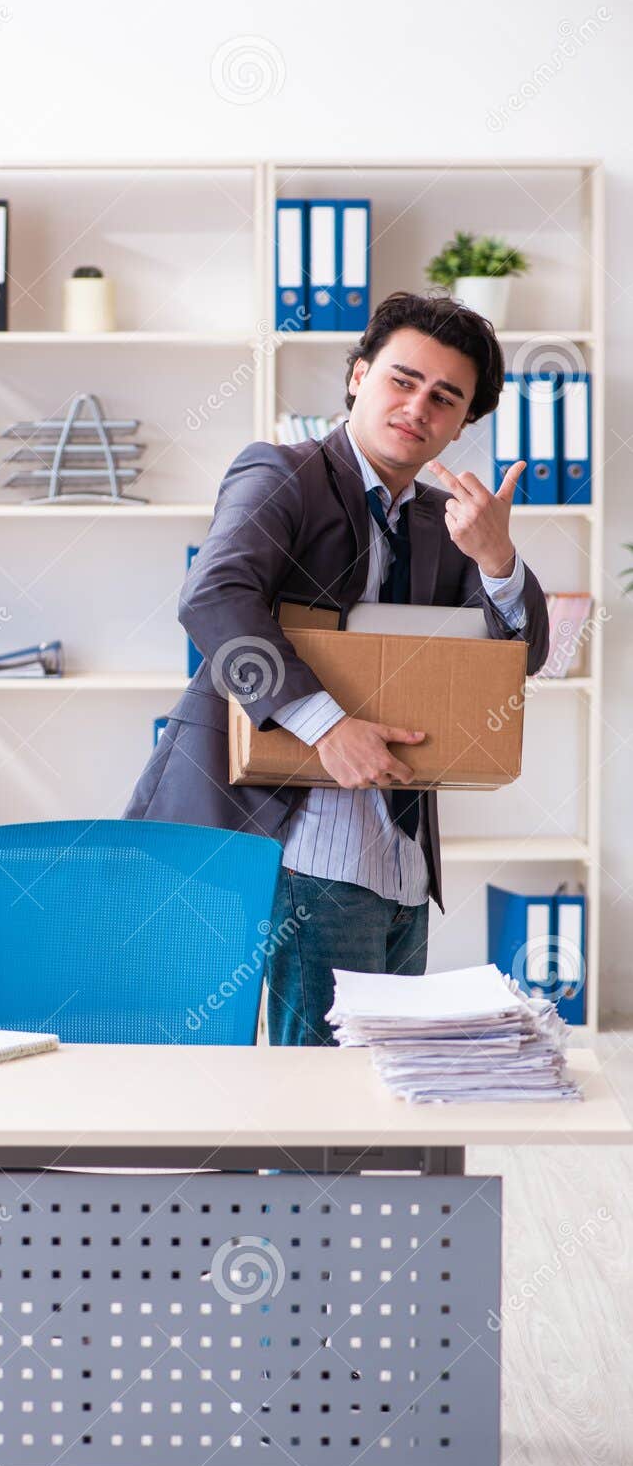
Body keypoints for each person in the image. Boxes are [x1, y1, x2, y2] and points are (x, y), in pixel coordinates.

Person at [125, 290, 550, 1047]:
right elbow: (215, 599)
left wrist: (497, 559)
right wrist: (326, 727)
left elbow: (524, 655)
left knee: (383, 1084)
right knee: (315, 1102)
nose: (418, 406)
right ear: (358, 376)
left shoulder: (441, 522)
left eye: (444, 398)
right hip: (297, 849)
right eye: (402, 379)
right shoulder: (282, 474)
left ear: (461, 425)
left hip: (400, 864)